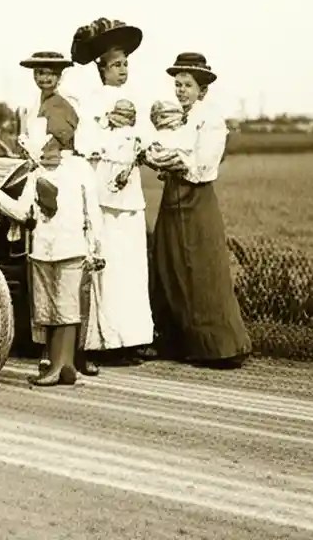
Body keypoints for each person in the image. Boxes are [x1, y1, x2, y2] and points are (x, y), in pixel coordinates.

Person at [0, 50, 104, 386]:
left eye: (50, 74)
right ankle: (58, 363)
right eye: (40, 74)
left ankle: (61, 363)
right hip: (47, 244)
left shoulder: (71, 166)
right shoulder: (40, 166)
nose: (44, 79)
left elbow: (89, 210)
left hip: (67, 244)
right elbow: (26, 207)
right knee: (49, 302)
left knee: (63, 301)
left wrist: (95, 247)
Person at [144, 52, 252, 369]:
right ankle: (176, 341)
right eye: (178, 85)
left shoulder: (211, 120)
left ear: (202, 90)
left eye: (187, 86)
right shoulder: (180, 118)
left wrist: (171, 160)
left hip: (196, 197)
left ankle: (219, 347)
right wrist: (159, 157)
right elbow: (164, 152)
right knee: (169, 262)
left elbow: (204, 166)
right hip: (173, 196)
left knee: (201, 268)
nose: (181, 91)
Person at [68, 18, 156, 366]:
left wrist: (140, 146)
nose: (122, 71)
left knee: (131, 266)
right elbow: (84, 143)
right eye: (116, 65)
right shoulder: (91, 102)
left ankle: (132, 339)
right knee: (109, 265)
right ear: (101, 68)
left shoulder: (135, 100)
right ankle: (104, 340)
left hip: (129, 190)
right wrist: (107, 126)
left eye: (126, 64)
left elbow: (147, 140)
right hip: (104, 188)